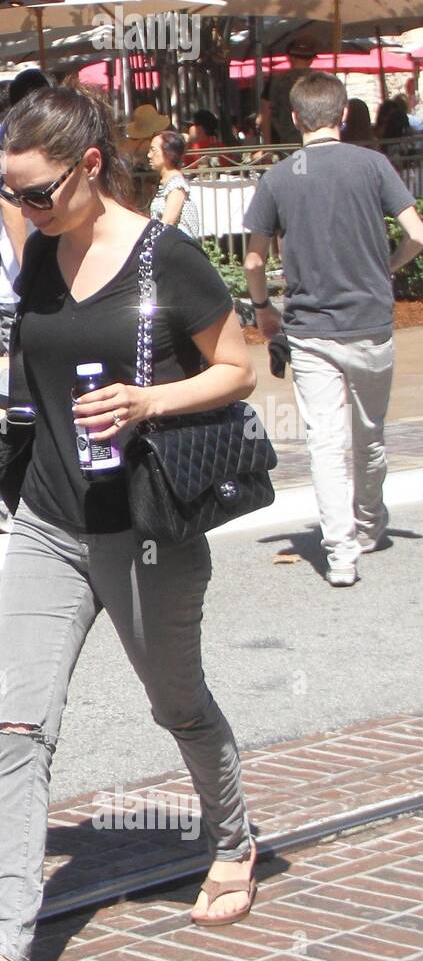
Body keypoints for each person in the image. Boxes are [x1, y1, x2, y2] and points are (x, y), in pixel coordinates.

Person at [0, 84, 259, 961]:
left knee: (177, 703)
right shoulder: (39, 255)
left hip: (143, 527)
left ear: (88, 167)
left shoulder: (168, 260)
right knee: (17, 728)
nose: (26, 210)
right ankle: (7, 950)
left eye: (38, 192)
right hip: (47, 520)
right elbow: (21, 376)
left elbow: (242, 369)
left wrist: (149, 399)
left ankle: (230, 837)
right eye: (12, 193)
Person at [244, 72, 423, 587]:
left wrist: (262, 309)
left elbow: (254, 261)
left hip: (310, 328)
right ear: (343, 115)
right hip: (370, 321)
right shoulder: (373, 164)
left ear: (294, 118)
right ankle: (369, 524)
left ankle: (340, 553)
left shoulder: (278, 176)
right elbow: (416, 233)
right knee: (369, 434)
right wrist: (387, 265)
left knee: (324, 439)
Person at [0, 67, 50, 534]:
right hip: (25, 294)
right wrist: (34, 282)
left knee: (12, 391)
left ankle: (3, 489)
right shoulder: (12, 160)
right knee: (12, 391)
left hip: (13, 292)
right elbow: (12, 226)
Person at [260, 35, 318, 146]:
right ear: (312, 59)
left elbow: (265, 115)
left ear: (290, 57)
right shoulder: (323, 82)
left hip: (286, 146)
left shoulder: (274, 83)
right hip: (316, 143)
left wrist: (267, 147)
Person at [148, 129, 201, 241]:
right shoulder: (167, 184)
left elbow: (167, 223)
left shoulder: (176, 186)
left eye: (153, 150)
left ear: (168, 154)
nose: (149, 155)